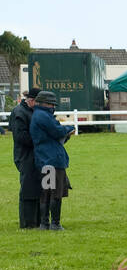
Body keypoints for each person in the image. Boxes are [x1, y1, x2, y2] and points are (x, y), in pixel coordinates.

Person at [29, 91, 74, 231]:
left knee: (46, 192)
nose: (52, 106)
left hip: (43, 159)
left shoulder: (38, 115)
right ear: (44, 103)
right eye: (51, 104)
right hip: (53, 159)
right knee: (56, 192)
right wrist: (70, 129)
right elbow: (57, 131)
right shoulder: (43, 116)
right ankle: (55, 223)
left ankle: (44, 223)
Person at [10, 88, 40, 229]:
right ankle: (28, 223)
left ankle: (37, 220)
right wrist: (40, 141)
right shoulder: (19, 113)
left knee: (38, 188)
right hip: (25, 155)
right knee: (28, 188)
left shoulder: (31, 111)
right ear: (32, 100)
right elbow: (20, 136)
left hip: (34, 154)